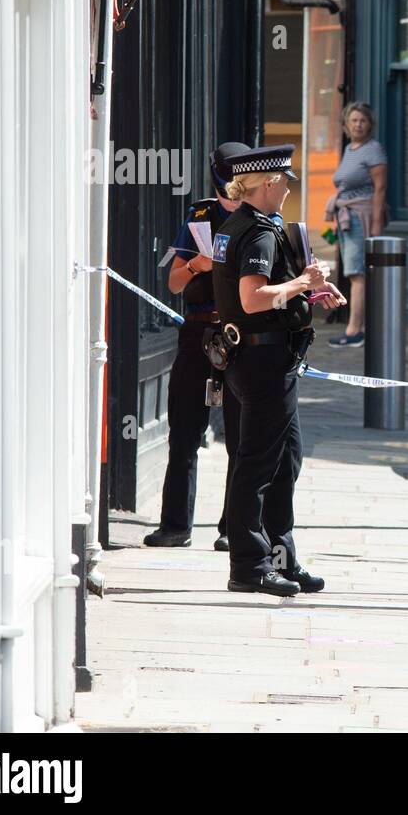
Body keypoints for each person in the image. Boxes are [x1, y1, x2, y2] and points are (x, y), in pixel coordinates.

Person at [212, 145, 346, 596]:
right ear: (267, 183)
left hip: (259, 357)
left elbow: (257, 296)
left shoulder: (238, 227)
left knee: (285, 461)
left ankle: (280, 557)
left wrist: (307, 292)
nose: (289, 187)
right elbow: (253, 298)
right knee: (258, 463)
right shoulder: (258, 232)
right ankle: (249, 565)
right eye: (285, 180)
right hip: (263, 360)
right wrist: (303, 283)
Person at [144, 141, 248, 552]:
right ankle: (175, 525)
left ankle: (232, 528)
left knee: (241, 438)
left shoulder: (262, 218)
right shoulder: (200, 216)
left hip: (243, 335)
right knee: (185, 432)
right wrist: (195, 266)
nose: (233, 194)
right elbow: (171, 283)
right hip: (199, 330)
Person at [324, 102, 388, 347]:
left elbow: (380, 189)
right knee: (355, 274)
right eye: (354, 120)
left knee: (356, 274)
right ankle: (357, 328)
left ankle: (353, 332)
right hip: (346, 217)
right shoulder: (350, 149)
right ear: (346, 125)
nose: (358, 124)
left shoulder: (374, 150)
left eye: (362, 120)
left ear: (370, 124)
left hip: (362, 217)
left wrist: (375, 226)